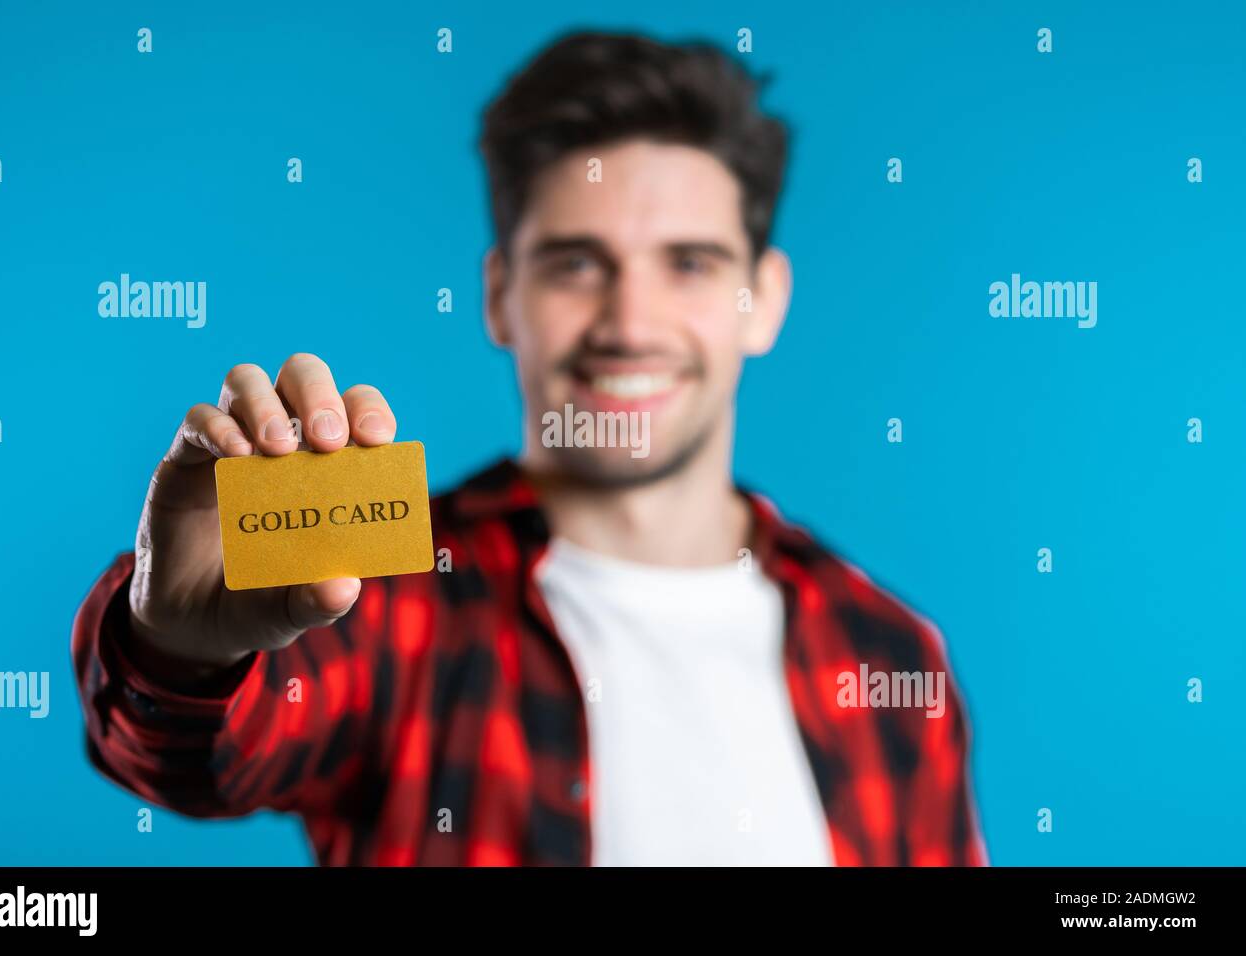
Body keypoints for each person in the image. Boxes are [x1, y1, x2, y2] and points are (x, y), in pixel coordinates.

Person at [72, 30, 986, 866]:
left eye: (691, 263)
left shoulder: (890, 656)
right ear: (501, 295)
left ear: (766, 299)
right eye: (576, 264)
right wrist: (177, 650)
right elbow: (194, 757)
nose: (630, 324)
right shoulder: (383, 599)